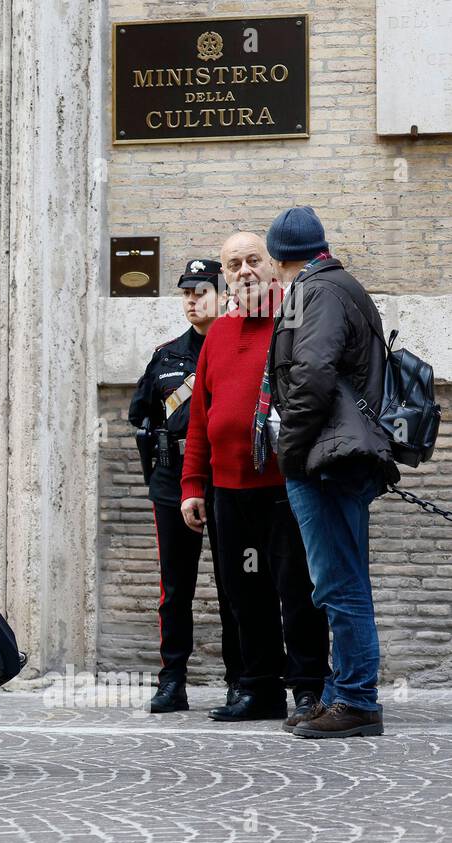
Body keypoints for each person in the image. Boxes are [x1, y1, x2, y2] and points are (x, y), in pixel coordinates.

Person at [180, 233, 329, 726]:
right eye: (233, 265)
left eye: (253, 261)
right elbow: (201, 418)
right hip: (229, 494)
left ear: (273, 267)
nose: (244, 271)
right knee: (245, 593)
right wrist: (192, 486)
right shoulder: (219, 333)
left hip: (287, 489)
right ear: (223, 277)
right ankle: (259, 688)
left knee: (298, 591)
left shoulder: (297, 321)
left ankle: (308, 688)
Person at [263, 206, 396, 738]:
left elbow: (311, 373)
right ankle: (342, 693)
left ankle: (358, 700)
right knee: (341, 580)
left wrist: (290, 452)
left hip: (325, 459)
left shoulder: (317, 292)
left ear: (279, 258)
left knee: (338, 585)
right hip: (335, 455)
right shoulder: (337, 287)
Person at [129, 259, 240, 713]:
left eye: (201, 291)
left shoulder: (239, 347)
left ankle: (242, 680)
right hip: (174, 480)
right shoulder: (167, 355)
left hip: (228, 477)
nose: (192, 300)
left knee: (237, 585)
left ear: (223, 296)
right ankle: (172, 681)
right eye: (186, 293)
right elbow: (142, 412)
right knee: (176, 588)